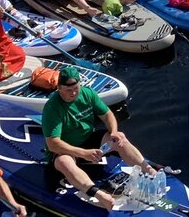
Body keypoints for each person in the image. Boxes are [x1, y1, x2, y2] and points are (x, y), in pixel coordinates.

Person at [42, 64, 153, 212]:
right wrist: (83, 153)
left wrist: (113, 132)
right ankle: (100, 196)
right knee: (64, 162)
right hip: (67, 149)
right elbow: (53, 144)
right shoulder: (52, 108)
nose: (73, 93)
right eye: (68, 90)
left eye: (76, 88)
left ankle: (148, 170)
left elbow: (107, 115)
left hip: (88, 139)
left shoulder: (88, 94)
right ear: (59, 88)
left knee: (120, 138)